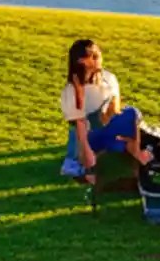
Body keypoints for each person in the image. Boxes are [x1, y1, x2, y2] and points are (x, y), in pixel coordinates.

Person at [59, 39, 152, 182]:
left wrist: (109, 114)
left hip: (107, 127)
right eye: (94, 57)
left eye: (99, 56)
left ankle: (136, 157)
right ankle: (88, 163)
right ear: (81, 61)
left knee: (133, 113)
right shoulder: (72, 90)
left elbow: (116, 109)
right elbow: (80, 128)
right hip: (87, 135)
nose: (99, 60)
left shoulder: (109, 78)